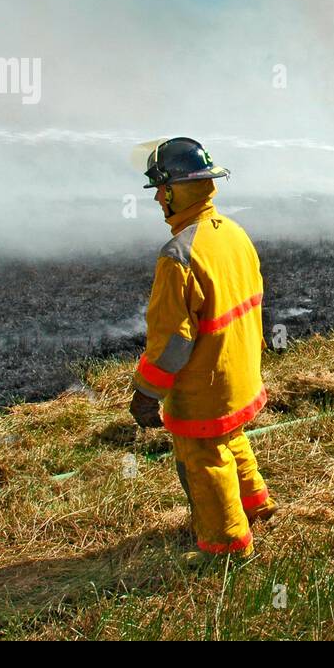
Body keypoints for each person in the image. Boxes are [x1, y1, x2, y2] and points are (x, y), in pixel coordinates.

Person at [129, 137, 277, 563]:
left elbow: (172, 340)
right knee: (231, 440)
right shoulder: (232, 233)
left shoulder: (178, 256)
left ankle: (227, 548)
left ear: (179, 190)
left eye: (161, 187)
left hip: (204, 386)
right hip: (240, 373)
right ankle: (256, 507)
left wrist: (146, 393)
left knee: (204, 458)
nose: (157, 197)